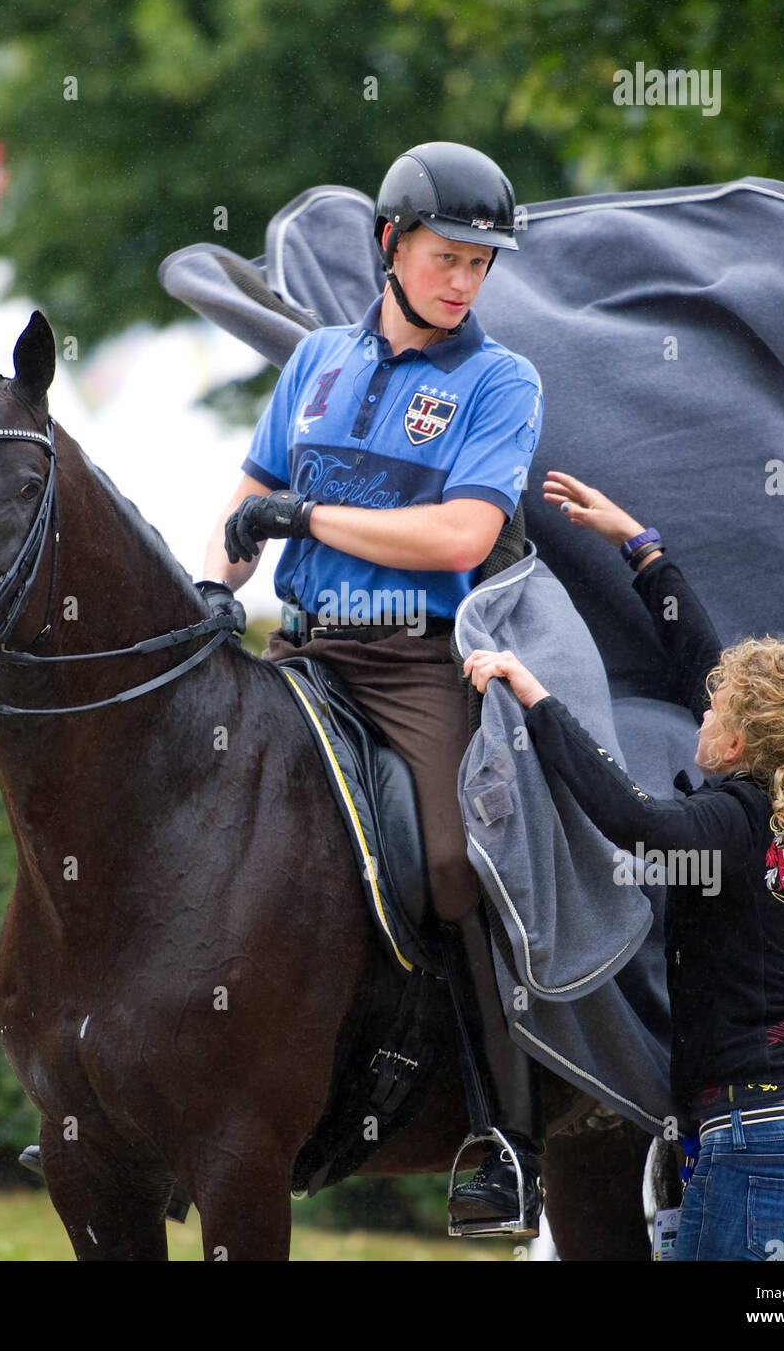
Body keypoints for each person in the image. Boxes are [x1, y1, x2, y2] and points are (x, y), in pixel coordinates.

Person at [201, 142, 547, 1235]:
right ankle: (152, 1102)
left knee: (453, 861)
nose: (463, 280)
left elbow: (461, 530)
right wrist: (213, 584)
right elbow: (249, 494)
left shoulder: (499, 381)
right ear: (391, 245)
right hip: (302, 646)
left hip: (412, 661)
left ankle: (503, 1135)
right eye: (447, 256)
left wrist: (306, 519)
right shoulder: (312, 363)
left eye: (480, 264)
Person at [463, 470, 784, 1261]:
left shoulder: (730, 820)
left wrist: (536, 696)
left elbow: (633, 820)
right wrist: (640, 547)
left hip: (763, 1148)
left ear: (736, 742)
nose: (703, 709)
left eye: (714, 710)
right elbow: (707, 661)